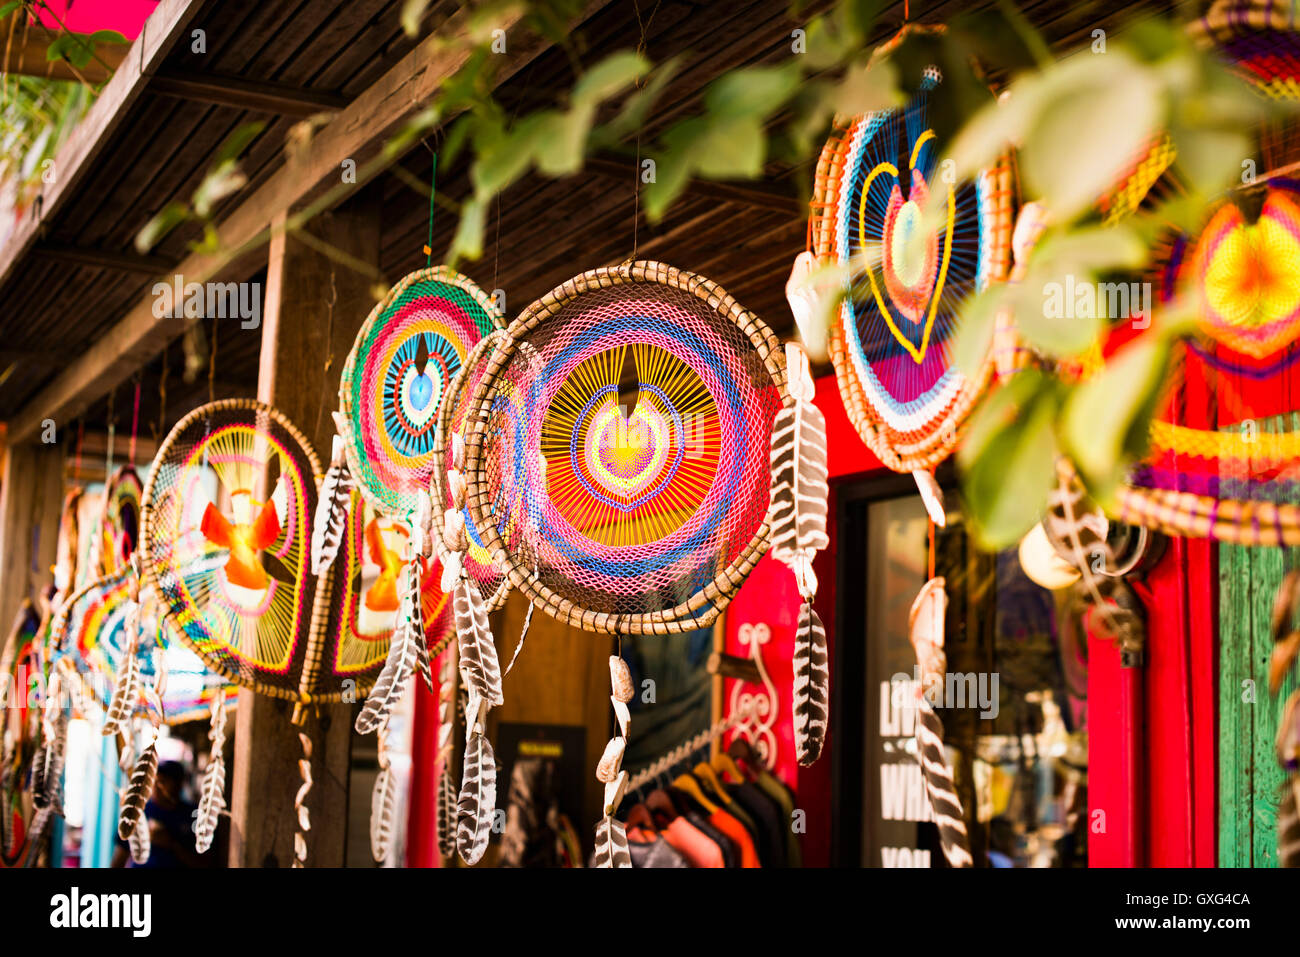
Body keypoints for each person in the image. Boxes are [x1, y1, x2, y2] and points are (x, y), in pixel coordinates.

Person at [110, 760, 208, 868]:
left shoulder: (194, 815)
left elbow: (207, 862)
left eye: (164, 781)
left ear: (179, 784)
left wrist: (171, 844)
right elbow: (120, 857)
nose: (157, 786)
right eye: (154, 780)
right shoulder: (138, 812)